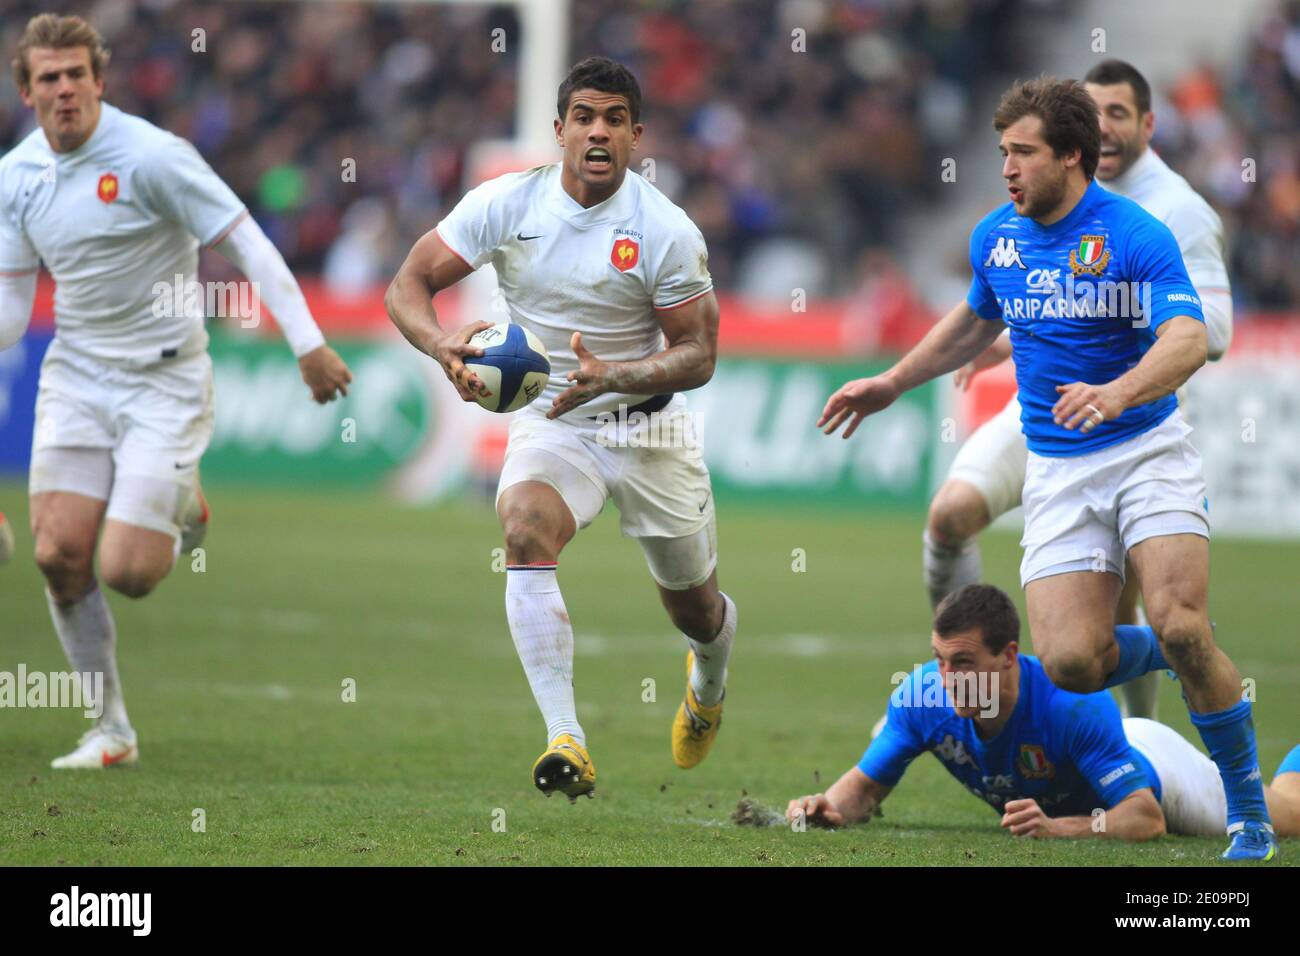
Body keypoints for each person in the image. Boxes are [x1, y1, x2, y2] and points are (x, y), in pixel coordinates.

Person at [819, 76, 1275, 860]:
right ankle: (1180, 646)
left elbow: (1189, 339)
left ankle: (1250, 815)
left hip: (1145, 450)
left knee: (1177, 619)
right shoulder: (999, 236)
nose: (1006, 168)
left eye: (1022, 153)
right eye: (1001, 152)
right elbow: (973, 319)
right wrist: (893, 381)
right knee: (1069, 662)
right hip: (1060, 471)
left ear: (1072, 155)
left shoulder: (1135, 233)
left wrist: (1116, 392)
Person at [0, 15, 352, 768]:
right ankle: (111, 730)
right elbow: (7, 312)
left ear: (100, 80)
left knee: (128, 574)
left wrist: (309, 341)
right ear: (26, 90)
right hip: (77, 373)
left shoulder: (153, 157)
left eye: (76, 75)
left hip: (164, 378)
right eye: (48, 78)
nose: (65, 89)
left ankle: (187, 505)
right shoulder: (16, 179)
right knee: (59, 554)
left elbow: (247, 240)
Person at [385, 57, 735, 801]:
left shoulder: (665, 230)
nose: (598, 131)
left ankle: (708, 683)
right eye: (584, 117)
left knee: (696, 610)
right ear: (559, 130)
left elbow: (699, 355)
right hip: (553, 419)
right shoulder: (505, 204)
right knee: (522, 531)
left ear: (637, 136)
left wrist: (618, 374)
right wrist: (440, 342)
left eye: (614, 119)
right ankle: (565, 738)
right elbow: (408, 283)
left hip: (651, 429)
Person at [921, 60, 1233, 724]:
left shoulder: (1171, 213)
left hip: (1133, 412)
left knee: (1155, 615)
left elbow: (1209, 331)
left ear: (1144, 125)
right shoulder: (1011, 220)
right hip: (1046, 414)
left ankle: (1145, 723)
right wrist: (1002, 339)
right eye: (1096, 113)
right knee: (950, 515)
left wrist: (1122, 384)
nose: (1105, 127)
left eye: (1118, 114)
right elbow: (998, 306)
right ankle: (968, 679)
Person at [786, 585, 1300, 843]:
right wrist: (827, 805)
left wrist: (1061, 828)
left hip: (1159, 773)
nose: (946, 677)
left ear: (1008, 656)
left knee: (1289, 816)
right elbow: (864, 789)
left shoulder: (1070, 704)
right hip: (1108, 754)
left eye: (963, 662)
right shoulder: (924, 697)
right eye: (940, 660)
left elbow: (1146, 818)